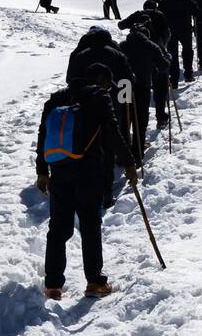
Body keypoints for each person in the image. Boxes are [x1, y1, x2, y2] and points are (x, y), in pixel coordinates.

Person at [36, 60, 138, 299]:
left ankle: (53, 285)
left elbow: (43, 134)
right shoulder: (99, 97)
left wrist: (42, 170)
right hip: (89, 170)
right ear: (101, 80)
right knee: (90, 225)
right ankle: (94, 282)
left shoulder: (55, 99)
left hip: (59, 171)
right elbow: (113, 131)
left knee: (58, 228)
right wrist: (130, 163)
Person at [66, 27, 135, 203]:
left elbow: (70, 80)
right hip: (111, 99)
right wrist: (124, 96)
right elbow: (128, 79)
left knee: (86, 142)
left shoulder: (80, 55)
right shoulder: (116, 54)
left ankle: (83, 185)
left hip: (84, 103)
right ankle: (106, 192)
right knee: (109, 143)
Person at [122, 22, 171, 161]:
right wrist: (168, 58)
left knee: (124, 118)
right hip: (142, 86)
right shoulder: (151, 46)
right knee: (140, 120)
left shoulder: (122, 46)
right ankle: (137, 154)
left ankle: (123, 154)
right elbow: (163, 66)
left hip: (124, 86)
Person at [162, 0, 197, 87]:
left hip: (170, 32)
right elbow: (196, 11)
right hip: (185, 29)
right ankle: (188, 75)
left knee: (172, 55)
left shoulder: (163, 1)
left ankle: (174, 80)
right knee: (187, 51)